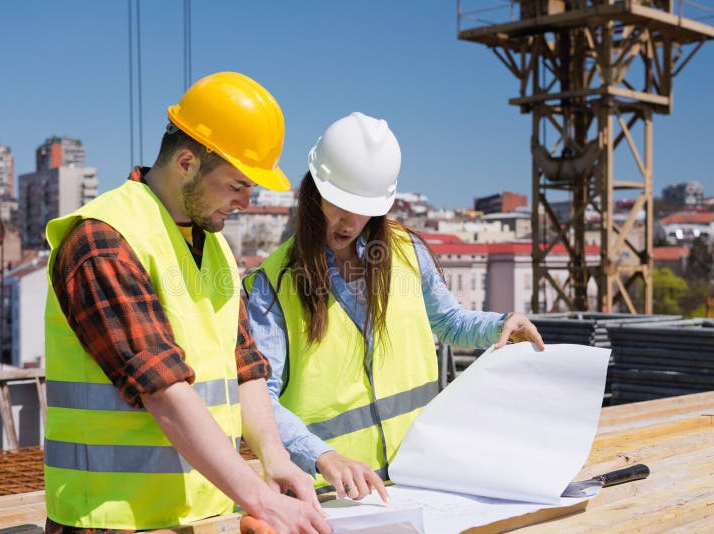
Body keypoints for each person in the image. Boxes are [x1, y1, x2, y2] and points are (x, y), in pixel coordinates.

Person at [43, 72, 330, 534]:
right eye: (236, 185)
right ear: (186, 163)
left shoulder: (212, 243)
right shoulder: (102, 240)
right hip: (111, 520)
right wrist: (260, 498)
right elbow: (162, 390)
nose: (246, 202)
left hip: (202, 515)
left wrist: (274, 458)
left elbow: (245, 364)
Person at [246, 112, 545, 503]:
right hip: (328, 497)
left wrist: (503, 324)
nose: (349, 221)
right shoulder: (274, 283)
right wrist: (324, 456)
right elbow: (259, 399)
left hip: (415, 482)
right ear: (315, 189)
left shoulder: (406, 252)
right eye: (339, 202)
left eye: (363, 207)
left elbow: (449, 322)